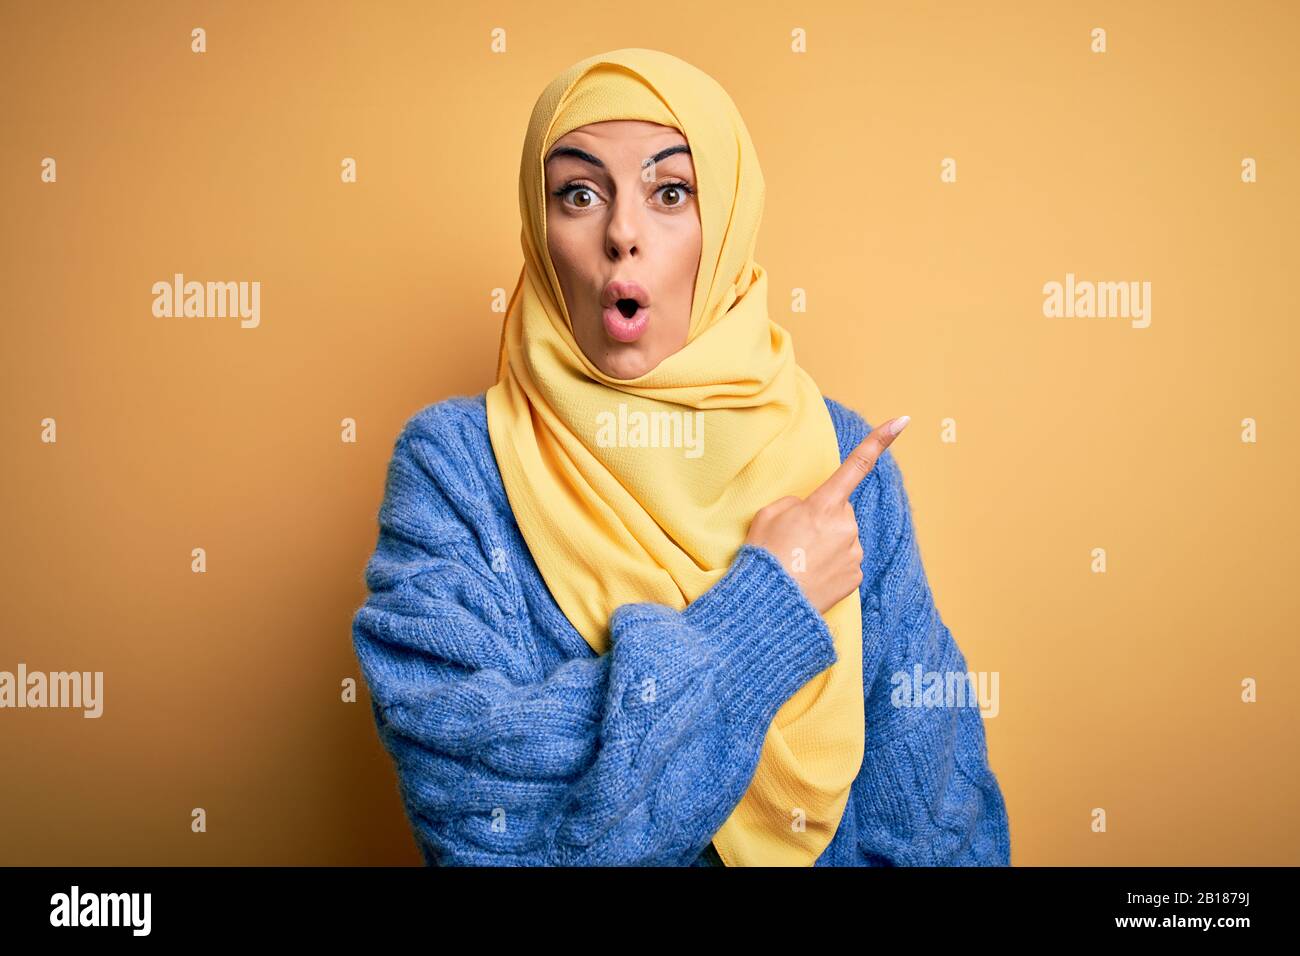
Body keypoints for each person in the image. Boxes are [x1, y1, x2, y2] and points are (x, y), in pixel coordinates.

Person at [351, 48, 1011, 867]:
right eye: (579, 194)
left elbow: (935, 823)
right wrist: (767, 610)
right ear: (538, 225)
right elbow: (488, 826)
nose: (622, 233)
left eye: (671, 193)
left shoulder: (842, 462)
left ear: (726, 223)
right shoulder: (456, 470)